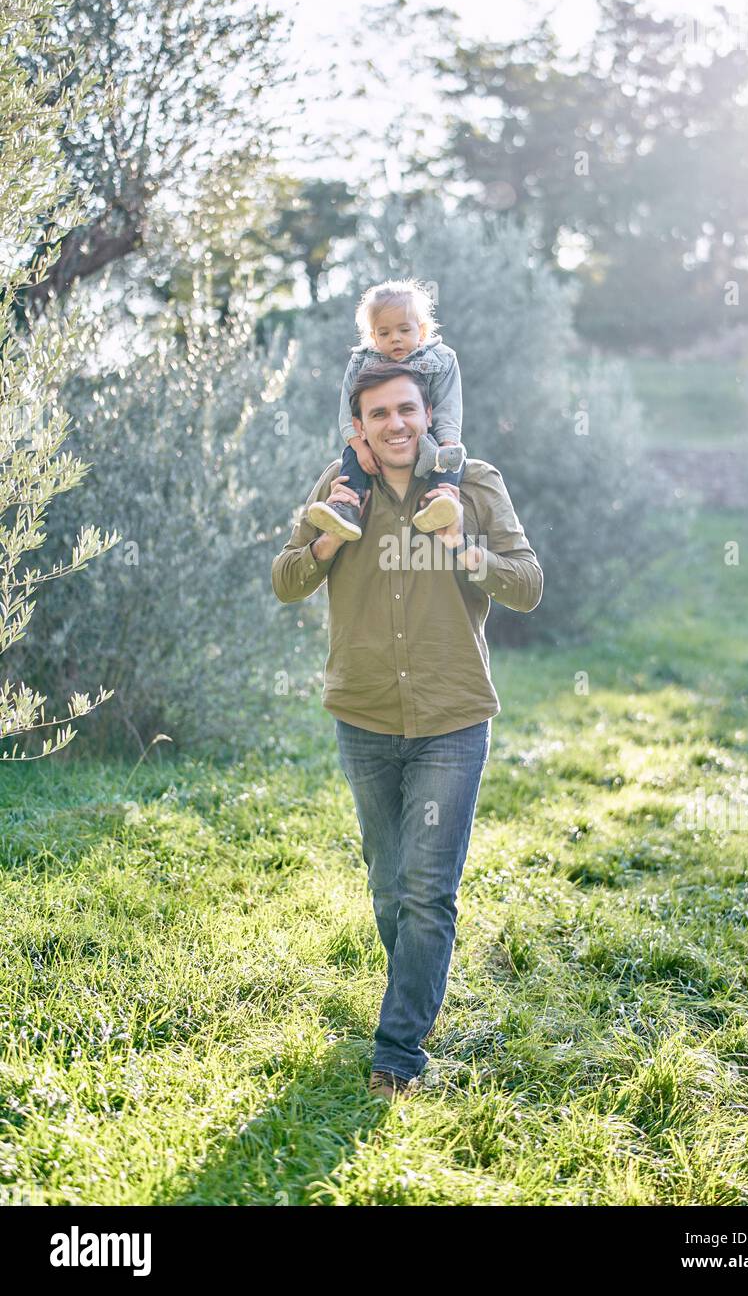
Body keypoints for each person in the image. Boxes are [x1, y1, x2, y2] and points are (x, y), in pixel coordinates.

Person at [271, 361, 543, 1101]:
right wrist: (327, 542)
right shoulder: (340, 488)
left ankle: (397, 1054)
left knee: (428, 892)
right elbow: (287, 578)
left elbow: (527, 582)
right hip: (363, 716)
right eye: (379, 413)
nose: (395, 424)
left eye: (407, 411)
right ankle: (416, 997)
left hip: (452, 718)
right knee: (390, 887)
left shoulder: (472, 481)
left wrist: (466, 550)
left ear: (429, 414)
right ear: (358, 424)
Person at [304, 277, 469, 542]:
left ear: (422, 330)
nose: (395, 339)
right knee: (350, 460)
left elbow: (448, 407)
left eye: (404, 330)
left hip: (429, 439)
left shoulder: (442, 359)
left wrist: (446, 445)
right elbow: (348, 413)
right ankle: (347, 507)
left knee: (452, 457)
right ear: (372, 336)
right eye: (384, 333)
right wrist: (360, 446)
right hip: (371, 444)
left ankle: (439, 501)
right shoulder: (360, 362)